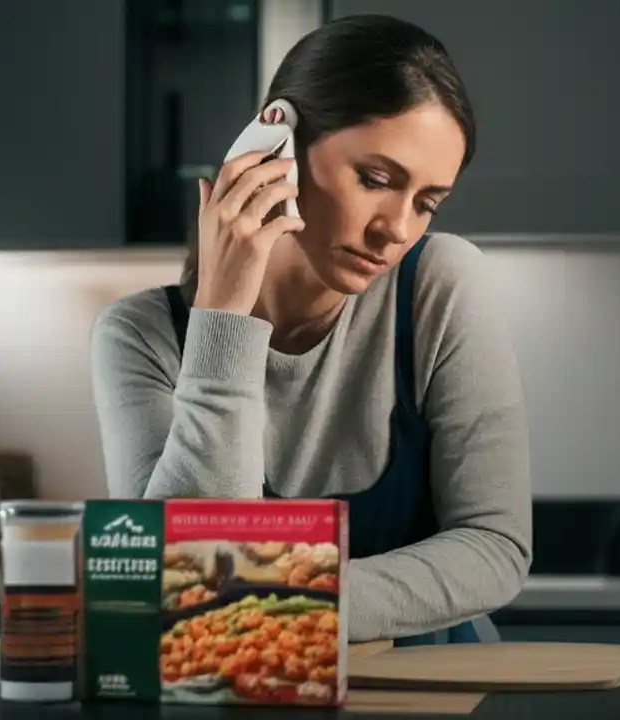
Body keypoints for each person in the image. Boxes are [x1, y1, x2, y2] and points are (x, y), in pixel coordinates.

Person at [89, 15, 532, 644]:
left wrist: (280, 604)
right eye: (376, 180)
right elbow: (181, 578)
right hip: (237, 693)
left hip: (435, 687)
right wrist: (223, 318)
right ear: (277, 145)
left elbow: (496, 547)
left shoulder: (442, 283)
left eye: (427, 202)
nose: (398, 229)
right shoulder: (139, 336)